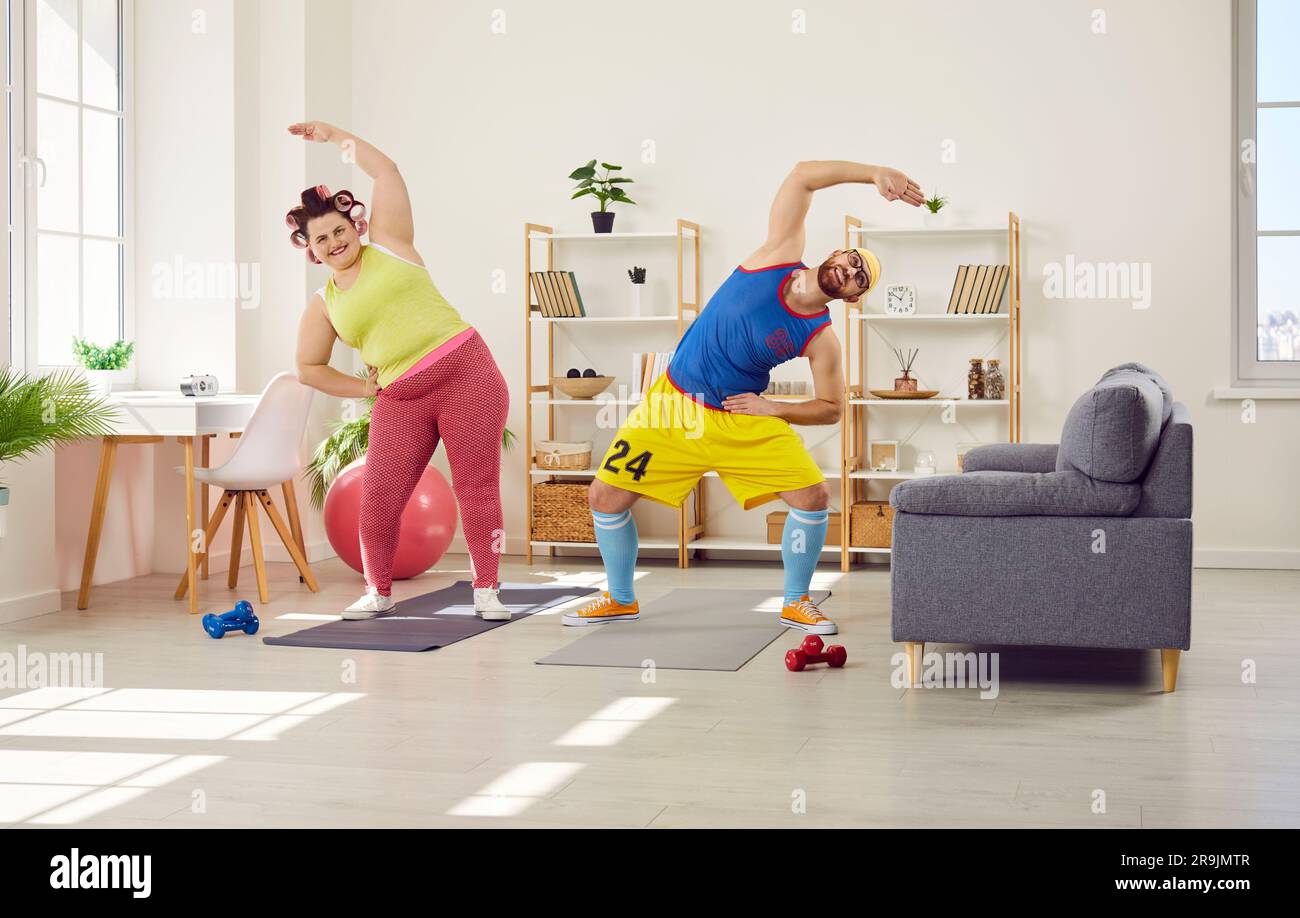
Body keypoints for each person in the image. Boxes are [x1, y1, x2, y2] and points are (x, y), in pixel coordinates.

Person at [567, 160, 923, 633]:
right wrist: (876, 173)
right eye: (852, 260)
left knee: (814, 496)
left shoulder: (822, 340)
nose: (850, 270)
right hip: (673, 405)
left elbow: (832, 407)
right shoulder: (776, 254)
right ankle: (620, 598)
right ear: (835, 253)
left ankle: (797, 601)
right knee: (605, 496)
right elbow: (802, 176)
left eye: (861, 277)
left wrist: (773, 408)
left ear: (854, 297)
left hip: (740, 416)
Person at [288, 120, 511, 621]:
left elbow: (386, 171)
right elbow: (307, 367)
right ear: (311, 249)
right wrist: (363, 387)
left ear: (356, 226)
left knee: (476, 486)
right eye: (320, 239)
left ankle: (487, 589)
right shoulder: (322, 305)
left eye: (339, 230)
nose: (332, 242)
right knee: (379, 496)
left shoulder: (390, 243)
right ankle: (378, 590)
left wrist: (331, 135)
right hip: (401, 396)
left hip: (464, 374)